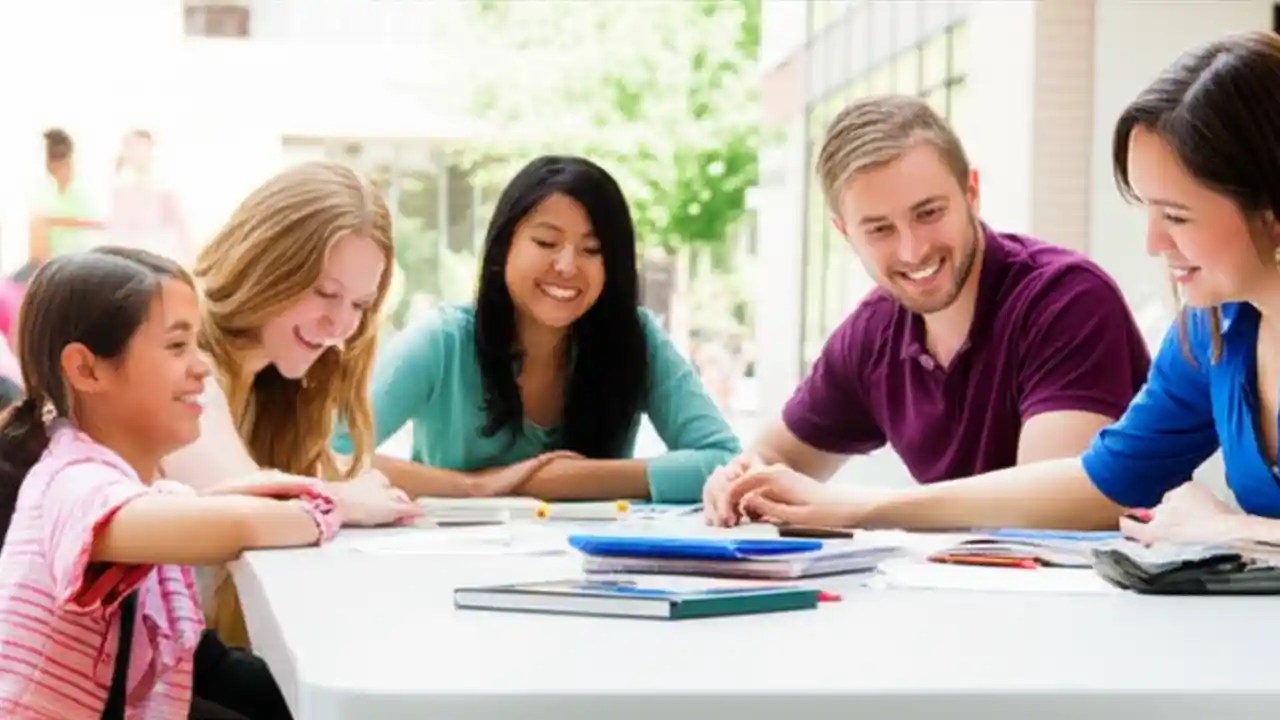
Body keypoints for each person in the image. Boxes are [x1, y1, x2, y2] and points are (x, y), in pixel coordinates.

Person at [719, 32, 1280, 542]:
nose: (1153, 244)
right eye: (1149, 211)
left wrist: (1235, 531)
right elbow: (1102, 483)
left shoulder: (1065, 298)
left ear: (1271, 209)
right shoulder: (1211, 333)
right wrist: (855, 507)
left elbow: (1057, 519)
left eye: (1177, 217)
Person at [704, 94, 1150, 527]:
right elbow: (776, 458)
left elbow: (1054, 510)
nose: (913, 249)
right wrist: (737, 482)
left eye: (929, 213)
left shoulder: (1066, 300)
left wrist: (859, 510)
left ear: (971, 194)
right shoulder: (872, 333)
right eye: (879, 229)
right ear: (846, 234)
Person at [0, 248, 338, 719]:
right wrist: (321, 511)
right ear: (86, 369)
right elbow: (237, 523)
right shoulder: (72, 484)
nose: (202, 367)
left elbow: (213, 507)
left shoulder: (117, 484)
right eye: (178, 347)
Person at [335, 155, 740, 502]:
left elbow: (723, 460)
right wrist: (471, 487)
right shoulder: (442, 342)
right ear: (503, 247)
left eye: (592, 250)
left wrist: (559, 481)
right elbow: (327, 458)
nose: (566, 266)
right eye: (546, 243)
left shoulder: (635, 338)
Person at [160, 161, 421, 649]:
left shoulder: (273, 386)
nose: (341, 324)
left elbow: (351, 479)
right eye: (325, 292)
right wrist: (339, 501)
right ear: (264, 263)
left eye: (360, 305)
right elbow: (239, 500)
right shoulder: (185, 354)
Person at [108, 129, 192, 262]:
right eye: (131, 148)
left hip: (154, 258)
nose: (136, 153)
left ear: (150, 150)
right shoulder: (118, 190)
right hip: (126, 261)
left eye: (140, 147)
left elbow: (181, 229)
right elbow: (115, 232)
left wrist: (187, 258)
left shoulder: (164, 189)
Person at [27, 128, 104, 266]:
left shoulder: (83, 190)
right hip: (49, 263)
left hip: (77, 262)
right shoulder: (46, 191)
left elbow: (99, 223)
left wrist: (53, 221)